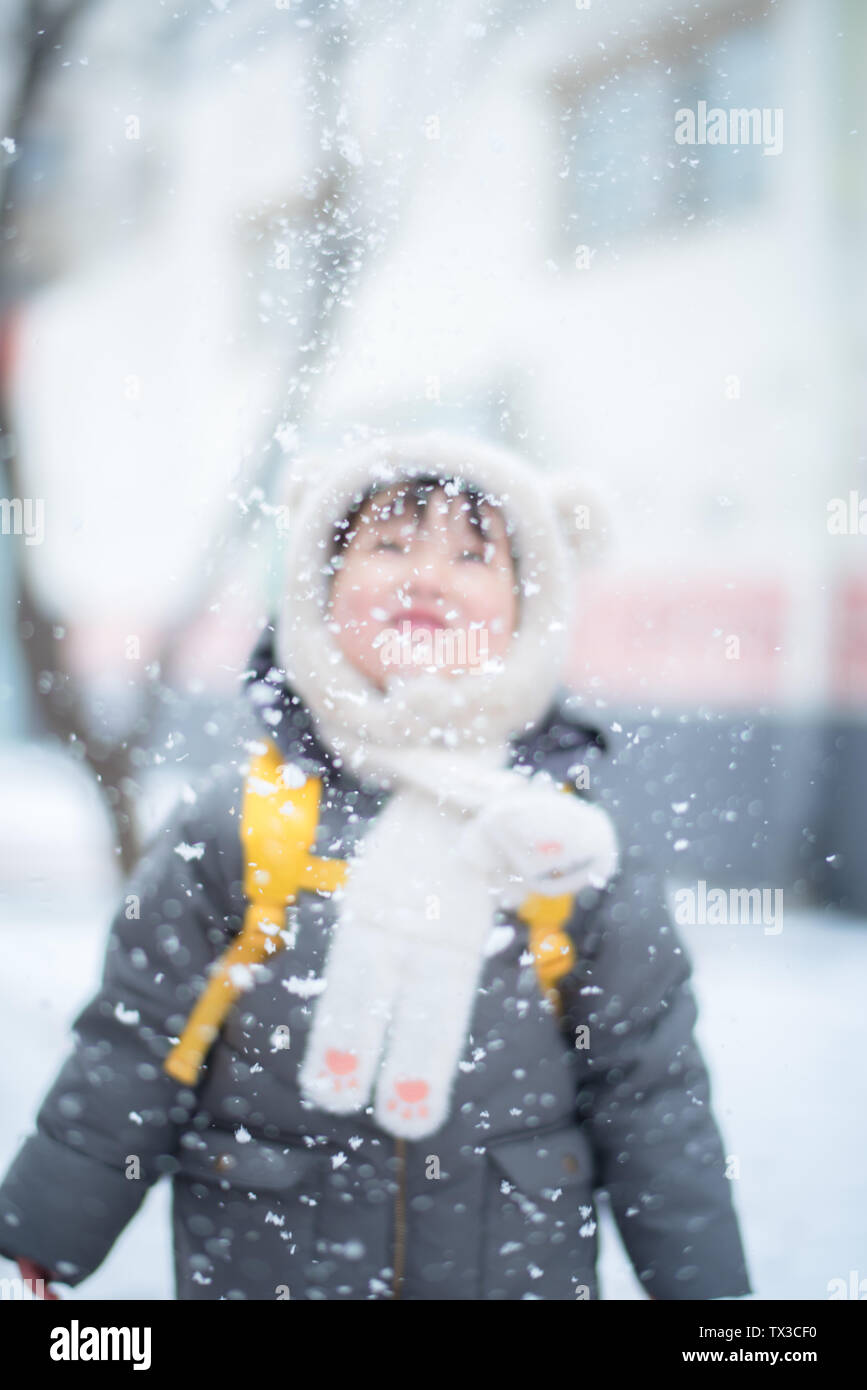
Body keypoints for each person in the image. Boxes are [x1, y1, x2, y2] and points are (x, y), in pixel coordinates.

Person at [0, 431, 752, 1300]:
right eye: (387, 547)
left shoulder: (564, 846)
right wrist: (54, 1222)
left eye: (472, 557)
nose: (425, 577)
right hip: (269, 1262)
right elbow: (140, 1042)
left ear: (527, 610)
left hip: (508, 1266)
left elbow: (649, 1093)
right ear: (319, 593)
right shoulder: (243, 823)